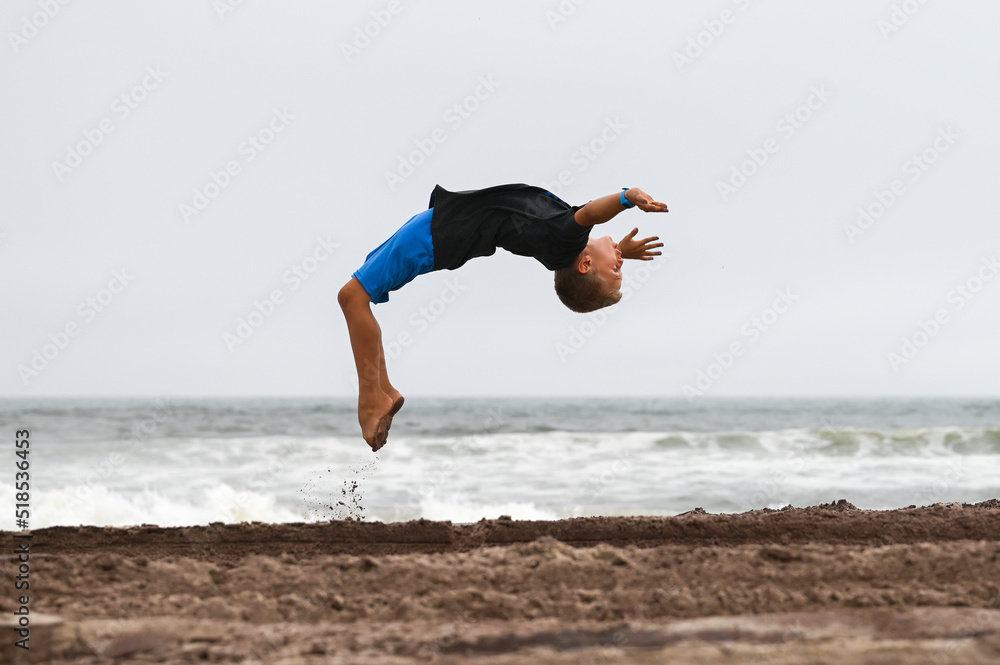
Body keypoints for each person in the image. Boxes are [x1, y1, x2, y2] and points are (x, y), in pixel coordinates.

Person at [337, 184, 669, 450]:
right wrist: (619, 253)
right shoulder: (561, 243)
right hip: (439, 232)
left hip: (438, 234)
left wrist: (628, 198)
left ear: (584, 265)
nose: (620, 261)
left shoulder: (565, 239)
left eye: (616, 267)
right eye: (621, 265)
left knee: (353, 296)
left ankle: (371, 399)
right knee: (356, 294)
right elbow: (587, 224)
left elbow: (593, 211)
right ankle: (383, 390)